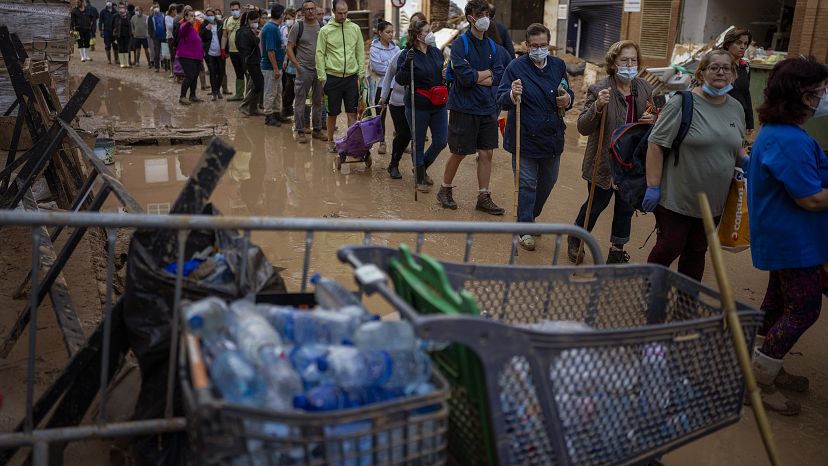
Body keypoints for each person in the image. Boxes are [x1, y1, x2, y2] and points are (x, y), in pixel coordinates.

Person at [748, 56, 828, 416]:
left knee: (778, 304)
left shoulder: (779, 132)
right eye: (821, 91)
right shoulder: (788, 139)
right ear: (804, 95)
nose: (824, 97)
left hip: (786, 237)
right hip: (795, 242)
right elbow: (810, 199)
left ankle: (763, 365)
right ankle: (759, 382)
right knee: (805, 309)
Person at [642, 49, 748, 281]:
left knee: (697, 253)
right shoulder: (683, 102)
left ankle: (685, 306)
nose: (721, 72)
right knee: (670, 248)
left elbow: (737, 145)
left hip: (714, 202)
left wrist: (747, 161)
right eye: (714, 67)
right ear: (701, 73)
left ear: (733, 75)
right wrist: (653, 186)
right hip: (677, 198)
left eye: (727, 68)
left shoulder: (736, 108)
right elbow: (655, 144)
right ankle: (652, 296)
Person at [568, 40, 654, 263]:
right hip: (605, 161)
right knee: (596, 204)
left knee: (626, 207)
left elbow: (655, 117)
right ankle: (576, 237)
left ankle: (616, 249)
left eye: (633, 60)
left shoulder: (644, 88)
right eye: (624, 60)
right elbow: (583, 127)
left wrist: (653, 118)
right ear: (613, 63)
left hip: (632, 162)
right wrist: (597, 107)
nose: (629, 64)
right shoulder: (600, 89)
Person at [497, 23, 573, 251]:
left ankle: (529, 216)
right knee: (527, 184)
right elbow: (500, 98)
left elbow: (566, 90)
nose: (539, 50)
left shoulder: (559, 65)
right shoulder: (515, 67)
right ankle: (524, 228)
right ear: (527, 45)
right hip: (524, 136)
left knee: (548, 182)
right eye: (534, 46)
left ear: (549, 45)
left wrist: (567, 99)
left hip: (551, 137)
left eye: (543, 45)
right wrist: (512, 93)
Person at [438, 0, 505, 215]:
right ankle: (445, 189)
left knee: (487, 153)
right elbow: (465, 78)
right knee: (459, 152)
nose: (485, 17)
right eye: (480, 14)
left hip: (487, 107)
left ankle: (483, 196)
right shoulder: (460, 45)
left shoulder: (493, 46)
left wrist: (478, 75)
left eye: (487, 13)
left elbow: (499, 76)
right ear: (470, 18)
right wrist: (484, 74)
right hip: (463, 107)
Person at [394, 20, 448, 192]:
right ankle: (419, 178)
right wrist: (406, 64)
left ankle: (421, 167)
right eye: (427, 31)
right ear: (418, 36)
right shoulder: (407, 54)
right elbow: (400, 79)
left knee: (441, 141)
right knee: (418, 142)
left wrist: (446, 75)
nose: (431, 33)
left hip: (438, 104)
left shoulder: (436, 52)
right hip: (418, 105)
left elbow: (443, 72)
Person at [317, 0, 365, 152]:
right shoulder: (325, 31)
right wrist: (322, 77)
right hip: (332, 78)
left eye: (345, 13)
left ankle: (350, 143)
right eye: (339, 13)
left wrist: (361, 75)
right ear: (333, 11)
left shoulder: (355, 28)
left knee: (352, 113)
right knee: (333, 113)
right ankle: (331, 140)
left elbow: (360, 52)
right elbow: (319, 54)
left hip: (351, 78)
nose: (343, 16)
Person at [287, 0, 325, 143]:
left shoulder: (322, 26)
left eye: (312, 9)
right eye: (307, 9)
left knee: (317, 101)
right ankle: (301, 131)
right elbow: (289, 48)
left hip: (319, 70)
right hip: (304, 70)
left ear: (316, 10)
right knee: (300, 102)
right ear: (303, 12)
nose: (310, 11)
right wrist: (298, 67)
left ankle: (316, 130)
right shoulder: (298, 26)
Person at [380, 46, 411, 179]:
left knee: (417, 136)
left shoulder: (431, 54)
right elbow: (389, 75)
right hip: (398, 102)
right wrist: (384, 95)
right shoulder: (401, 55)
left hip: (420, 102)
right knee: (404, 134)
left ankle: (421, 168)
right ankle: (394, 164)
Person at [370, 20, 398, 156]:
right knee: (381, 115)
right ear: (380, 33)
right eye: (388, 32)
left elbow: (400, 66)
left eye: (392, 32)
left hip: (397, 87)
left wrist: (388, 65)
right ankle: (382, 142)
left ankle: (400, 142)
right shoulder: (374, 49)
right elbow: (377, 67)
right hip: (381, 86)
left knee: (399, 116)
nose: (390, 34)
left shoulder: (396, 49)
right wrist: (391, 67)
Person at [721, 27, 754, 135]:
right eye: (738, 43)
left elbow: (746, 93)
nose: (742, 47)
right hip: (720, 116)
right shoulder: (718, 65)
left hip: (738, 117)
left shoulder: (745, 66)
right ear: (728, 44)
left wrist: (749, 122)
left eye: (745, 44)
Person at [261, 4, 287, 126]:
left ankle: (277, 113)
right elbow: (270, 51)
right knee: (270, 92)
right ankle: (268, 115)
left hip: (276, 66)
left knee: (277, 91)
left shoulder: (274, 27)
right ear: (281, 15)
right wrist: (276, 68)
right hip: (271, 67)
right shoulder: (271, 28)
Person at [236, 10, 264, 117]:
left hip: (254, 61)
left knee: (256, 84)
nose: (256, 22)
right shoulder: (244, 32)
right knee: (258, 84)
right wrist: (258, 36)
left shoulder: (248, 31)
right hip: (250, 62)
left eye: (257, 19)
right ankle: (244, 106)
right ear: (248, 20)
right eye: (254, 20)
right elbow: (251, 44)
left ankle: (253, 108)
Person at [176, 9, 204, 105]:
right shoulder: (184, 25)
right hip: (187, 56)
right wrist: (188, 23)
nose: (193, 17)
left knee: (194, 76)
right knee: (189, 76)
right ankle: (182, 97)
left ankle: (192, 96)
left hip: (196, 57)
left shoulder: (193, 28)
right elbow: (182, 31)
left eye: (193, 16)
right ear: (186, 17)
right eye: (190, 16)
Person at [199, 9, 224, 101]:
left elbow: (225, 37)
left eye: (211, 15)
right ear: (206, 16)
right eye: (208, 15)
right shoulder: (204, 25)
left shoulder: (220, 24)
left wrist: (226, 50)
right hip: (210, 53)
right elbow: (200, 36)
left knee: (221, 72)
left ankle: (218, 90)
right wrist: (206, 29)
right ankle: (214, 92)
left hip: (220, 52)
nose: (210, 16)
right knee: (212, 73)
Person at [223, 1, 245, 102]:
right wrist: (222, 49)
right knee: (238, 73)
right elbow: (224, 36)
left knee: (248, 73)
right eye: (233, 10)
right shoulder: (227, 20)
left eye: (236, 9)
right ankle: (239, 94)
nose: (235, 11)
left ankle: (250, 94)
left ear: (240, 9)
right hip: (232, 51)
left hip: (244, 51)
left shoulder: (244, 19)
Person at [281, 8, 297, 119]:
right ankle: (287, 110)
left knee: (296, 90)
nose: (287, 20)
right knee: (288, 89)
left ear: (294, 17)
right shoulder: (284, 29)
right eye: (286, 19)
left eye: (289, 18)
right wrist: (285, 60)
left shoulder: (298, 29)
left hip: (298, 63)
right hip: (290, 65)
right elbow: (288, 48)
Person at [148, 4, 166, 72]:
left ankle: (166, 66)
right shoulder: (151, 17)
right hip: (156, 38)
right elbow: (149, 28)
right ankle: (157, 67)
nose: (156, 8)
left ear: (159, 8)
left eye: (157, 7)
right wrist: (152, 36)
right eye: (155, 7)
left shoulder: (163, 15)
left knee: (165, 52)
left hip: (164, 36)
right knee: (157, 52)